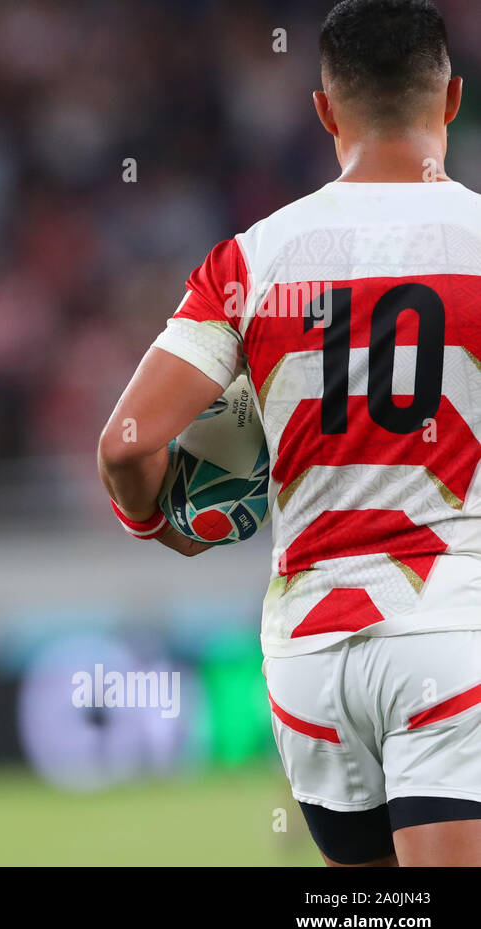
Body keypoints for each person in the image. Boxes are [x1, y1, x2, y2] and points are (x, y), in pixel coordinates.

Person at [98, 0, 481, 866]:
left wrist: (164, 525)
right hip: (452, 624)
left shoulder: (252, 257)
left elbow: (125, 444)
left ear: (323, 109)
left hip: (310, 655)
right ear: (452, 100)